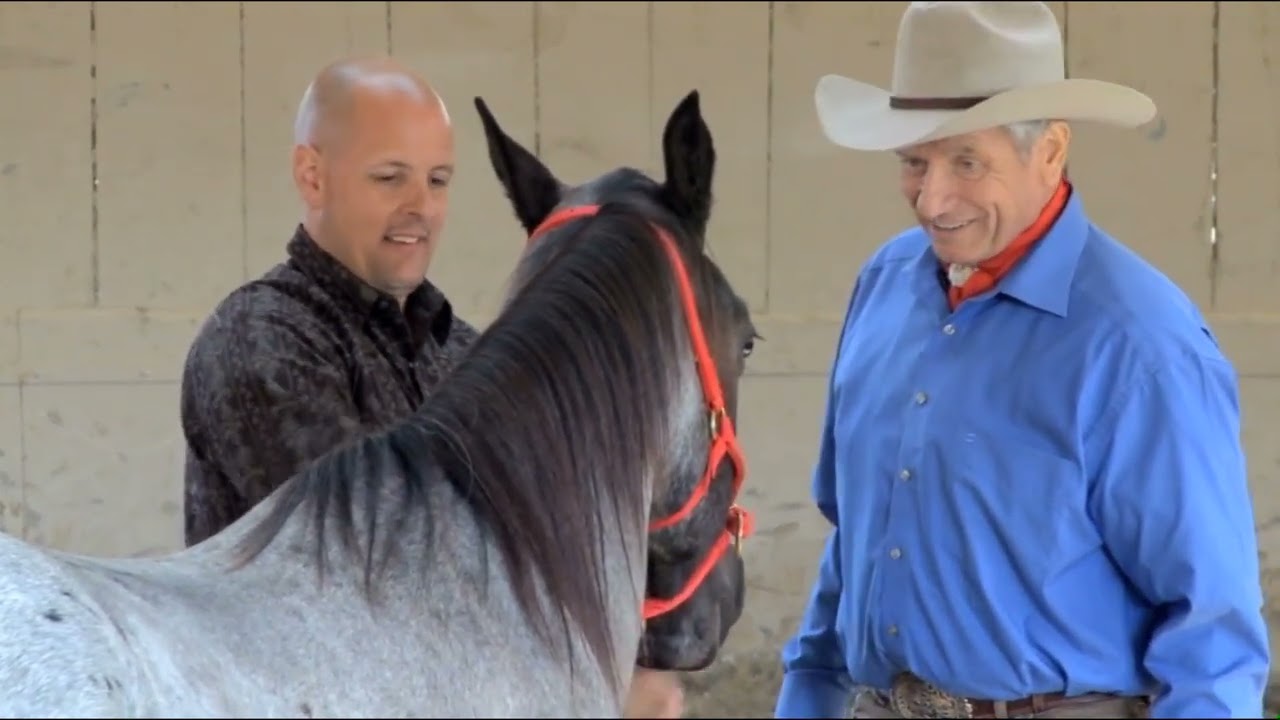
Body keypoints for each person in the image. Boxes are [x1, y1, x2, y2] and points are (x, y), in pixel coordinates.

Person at [774, 3, 1270, 719]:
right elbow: (856, 541)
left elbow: (1214, 639)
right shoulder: (884, 285)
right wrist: (806, 698)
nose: (933, 199)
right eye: (915, 162)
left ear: (1051, 150)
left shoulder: (1139, 345)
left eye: (967, 162)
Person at [179, 55, 684, 719]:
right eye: (390, 178)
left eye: (438, 180)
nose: (420, 208)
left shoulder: (466, 353)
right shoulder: (259, 338)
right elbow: (372, 571)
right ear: (312, 175)